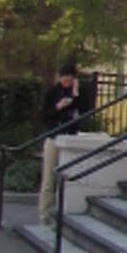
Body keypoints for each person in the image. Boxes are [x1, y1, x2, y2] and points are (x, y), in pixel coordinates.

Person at [38, 63, 81, 222]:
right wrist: (58, 107)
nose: (67, 80)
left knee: (65, 178)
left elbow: (83, 109)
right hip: (54, 136)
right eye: (64, 77)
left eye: (70, 77)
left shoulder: (76, 94)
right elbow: (44, 115)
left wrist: (75, 93)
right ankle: (44, 214)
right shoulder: (53, 92)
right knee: (49, 178)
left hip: (70, 138)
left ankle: (61, 213)